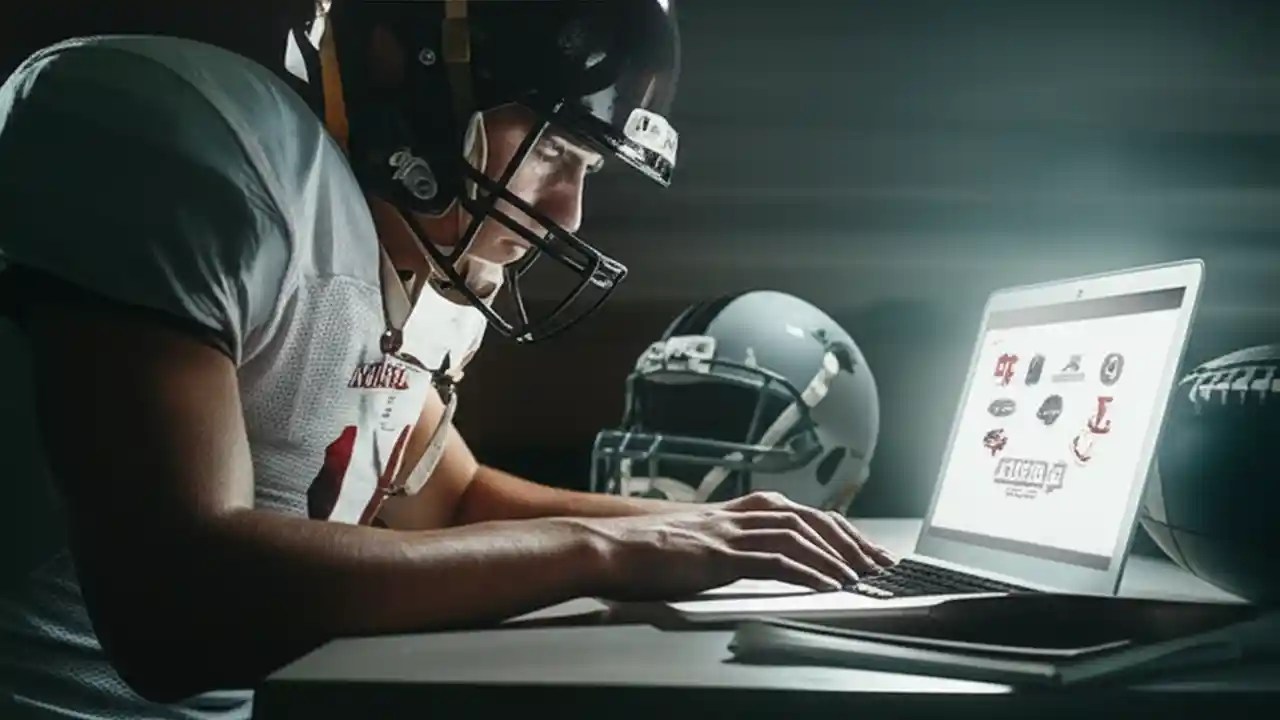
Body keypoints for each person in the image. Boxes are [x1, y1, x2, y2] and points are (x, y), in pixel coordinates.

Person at [0, 1, 896, 717]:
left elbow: (454, 500)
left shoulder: (396, 260)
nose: (572, 212)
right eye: (553, 147)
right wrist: (605, 549)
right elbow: (169, 615)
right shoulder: (198, 143)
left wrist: (714, 534)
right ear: (413, 71)